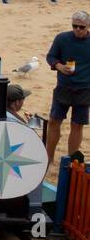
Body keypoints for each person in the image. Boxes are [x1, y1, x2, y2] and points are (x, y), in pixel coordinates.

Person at [46, 11, 90, 162]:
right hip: (63, 87)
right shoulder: (62, 38)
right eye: (74, 26)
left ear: (88, 26)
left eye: (81, 27)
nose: (77, 29)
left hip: (85, 90)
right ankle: (49, 157)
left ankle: (72, 160)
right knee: (54, 121)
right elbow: (50, 56)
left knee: (77, 125)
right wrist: (58, 66)